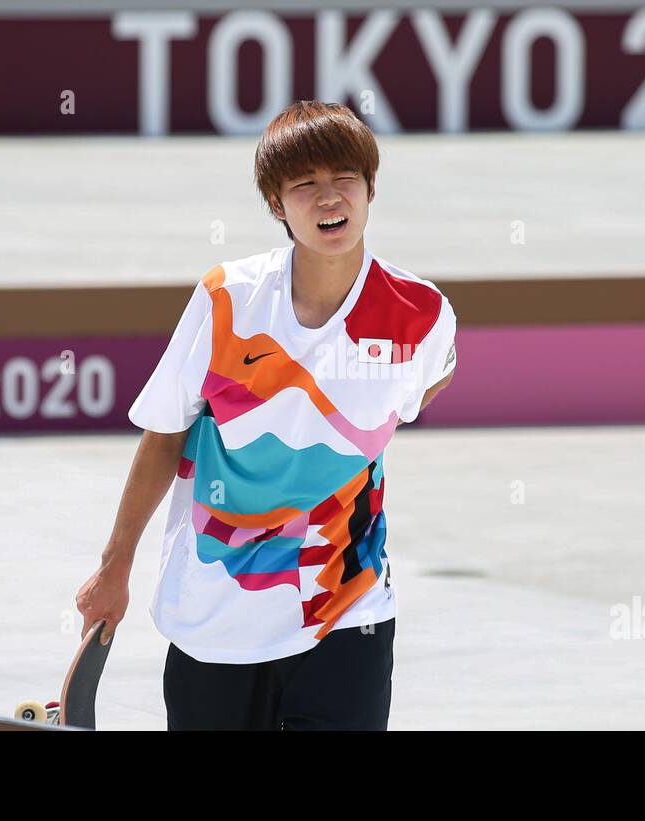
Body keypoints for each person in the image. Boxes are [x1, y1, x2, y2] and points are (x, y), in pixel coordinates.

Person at [75, 100, 457, 730]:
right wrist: (115, 567)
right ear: (278, 206)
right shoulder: (230, 300)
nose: (328, 197)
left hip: (347, 607)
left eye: (345, 179)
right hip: (217, 616)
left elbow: (428, 383)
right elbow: (164, 431)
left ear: (369, 188)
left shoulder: (421, 313)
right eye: (304, 185)